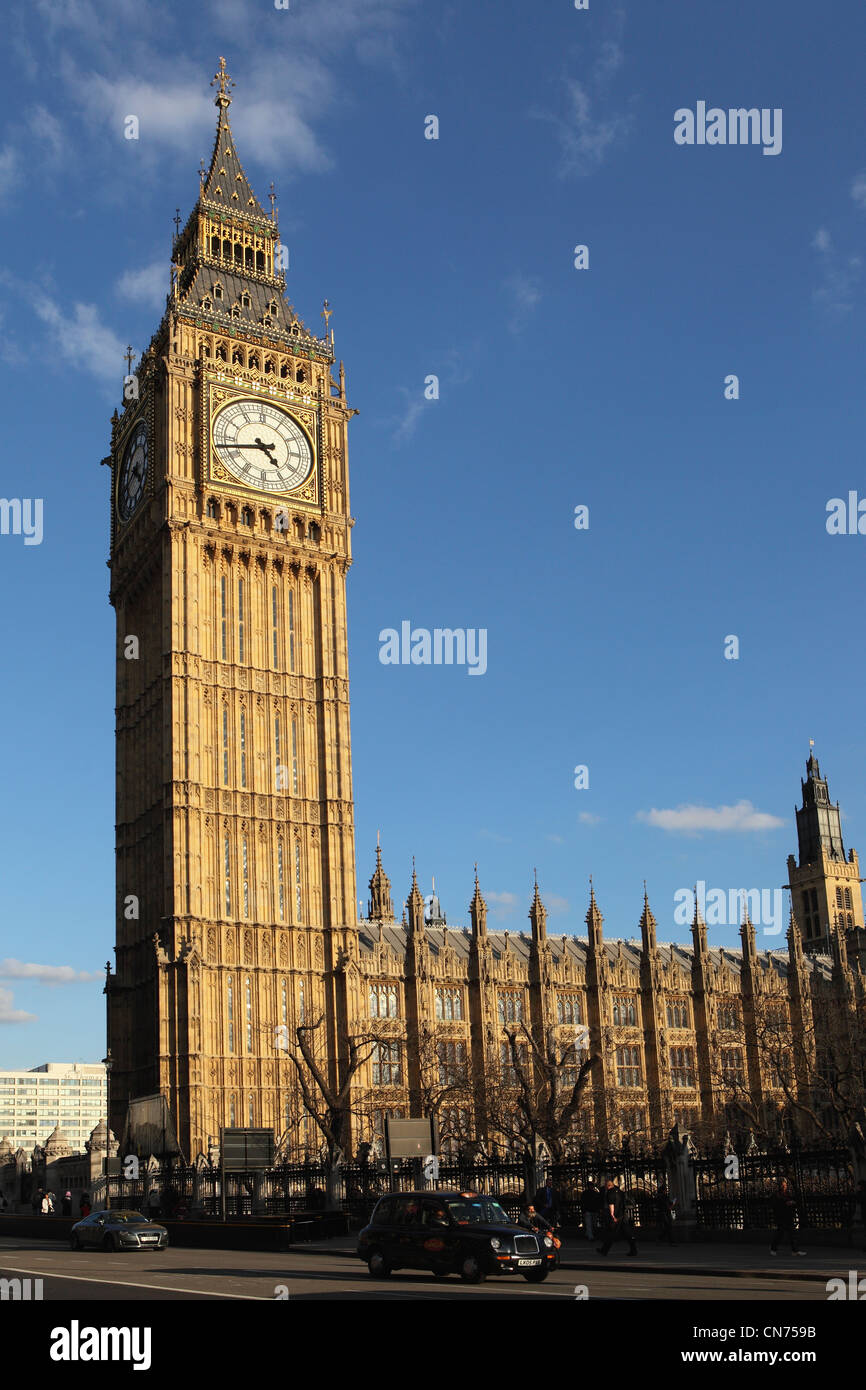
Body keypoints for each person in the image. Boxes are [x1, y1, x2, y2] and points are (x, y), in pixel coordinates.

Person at [597, 1178, 638, 1256]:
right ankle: (634, 1249)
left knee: (611, 1233)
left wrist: (612, 1215)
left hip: (616, 1216)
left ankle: (604, 1250)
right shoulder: (621, 1192)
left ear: (608, 1186)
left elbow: (611, 1204)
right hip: (623, 1215)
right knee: (627, 1233)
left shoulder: (610, 1192)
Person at [769, 1178, 805, 1256]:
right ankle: (773, 1249)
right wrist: (786, 1203)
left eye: (784, 1185)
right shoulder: (776, 1195)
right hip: (781, 1217)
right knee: (780, 1234)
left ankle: (795, 1250)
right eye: (782, 1185)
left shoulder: (789, 1193)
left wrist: (792, 1203)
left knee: (792, 1234)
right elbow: (775, 1206)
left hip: (788, 1216)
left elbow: (795, 1202)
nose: (784, 1186)